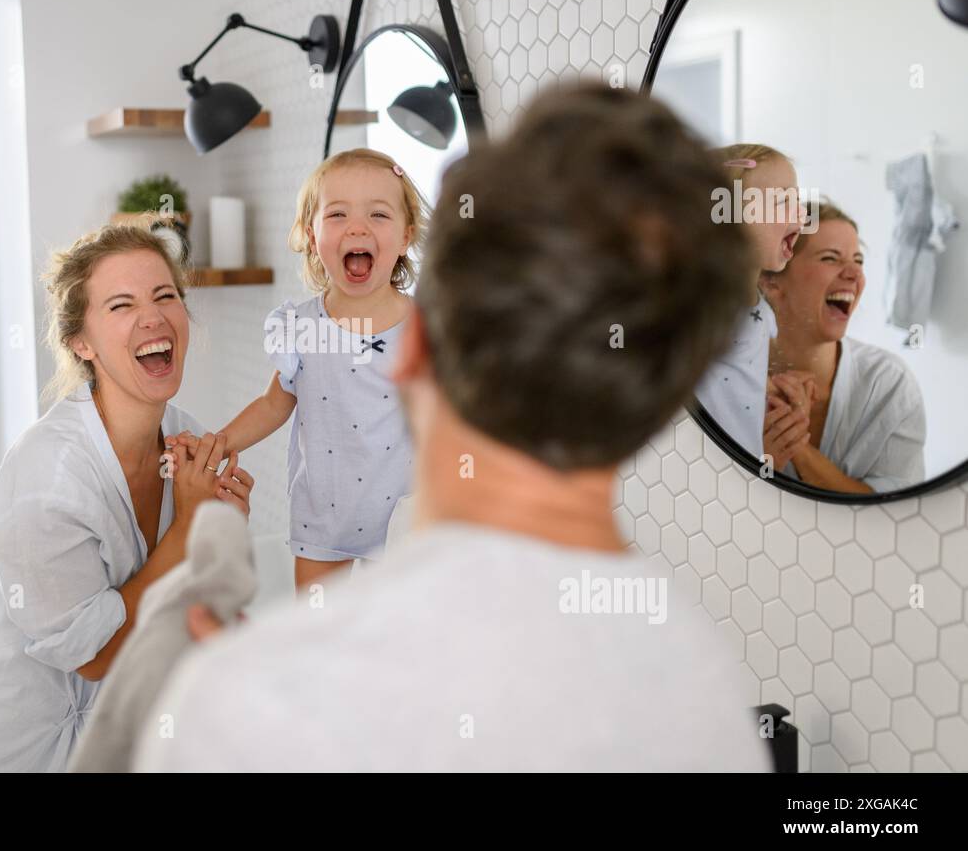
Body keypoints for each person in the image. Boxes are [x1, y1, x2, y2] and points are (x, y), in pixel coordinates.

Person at [132, 84, 772, 772]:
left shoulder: (251, 707)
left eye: (379, 214)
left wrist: (225, 683)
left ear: (414, 349)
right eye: (339, 213)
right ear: (669, 390)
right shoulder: (706, 694)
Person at [0, 224, 253, 772]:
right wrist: (192, 526)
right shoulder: (44, 475)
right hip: (9, 755)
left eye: (165, 296)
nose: (153, 317)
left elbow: (190, 615)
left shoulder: (186, 441)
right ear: (82, 341)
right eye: (122, 305)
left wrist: (222, 531)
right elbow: (96, 655)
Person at [168, 148, 428, 591]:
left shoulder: (425, 329)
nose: (358, 227)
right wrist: (219, 443)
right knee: (318, 635)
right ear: (311, 235)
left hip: (402, 517)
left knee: (393, 640)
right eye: (338, 214)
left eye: (378, 215)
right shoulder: (300, 327)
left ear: (405, 237)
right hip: (322, 515)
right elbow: (274, 403)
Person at [761, 200, 926, 493]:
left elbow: (894, 511)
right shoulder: (732, 378)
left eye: (858, 261)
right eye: (830, 258)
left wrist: (796, 447)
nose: (855, 274)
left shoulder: (888, 383)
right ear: (772, 281)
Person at [694, 144, 806, 462]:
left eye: (797, 200)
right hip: (711, 470)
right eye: (783, 201)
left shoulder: (761, 311)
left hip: (744, 475)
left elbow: (733, 373)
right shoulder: (706, 307)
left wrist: (769, 390)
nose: (801, 212)